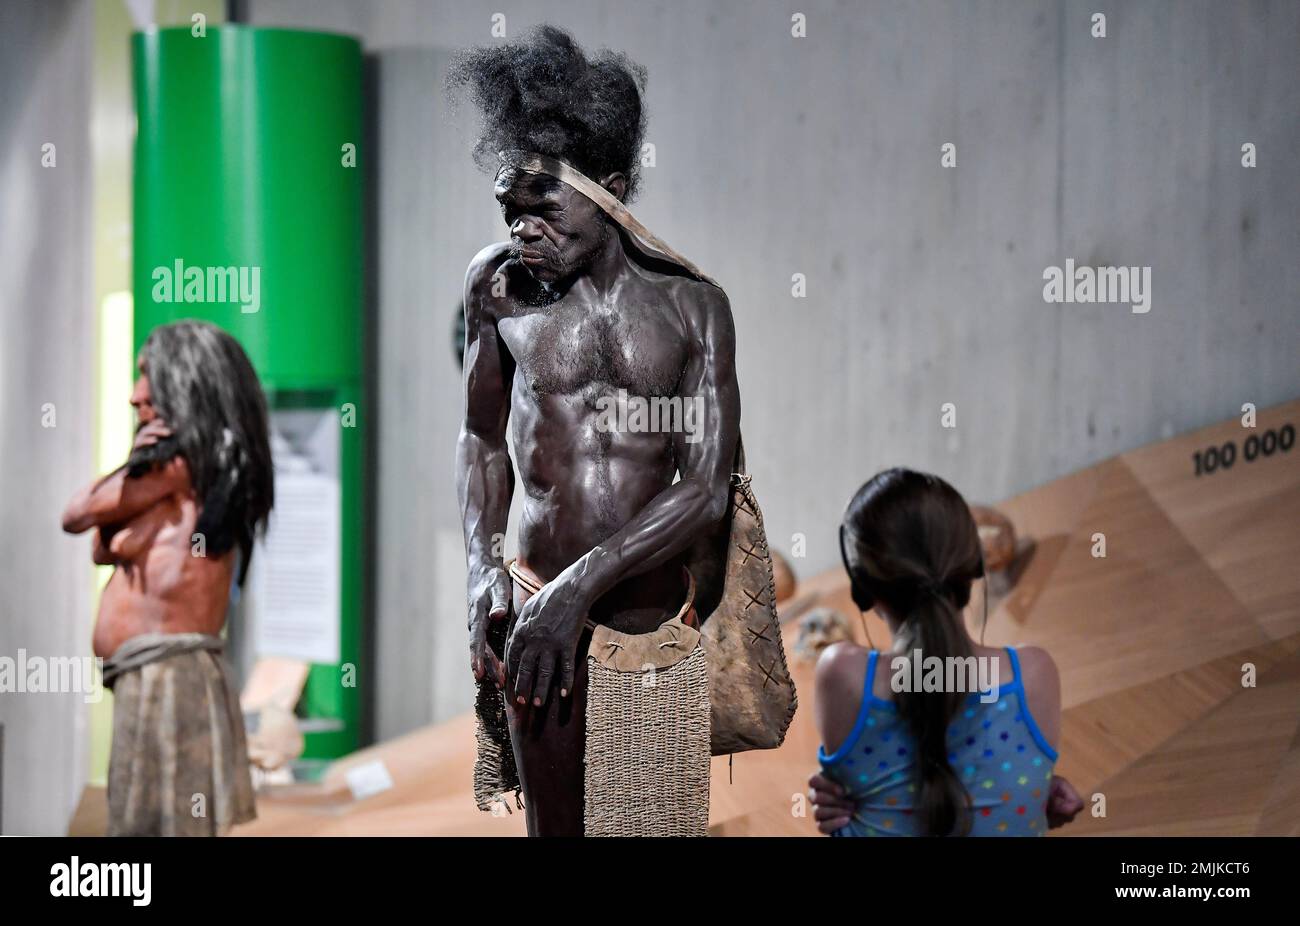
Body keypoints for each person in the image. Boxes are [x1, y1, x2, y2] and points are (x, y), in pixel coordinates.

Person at [451, 25, 740, 835]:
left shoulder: (693, 307)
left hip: (647, 627)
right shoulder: (499, 287)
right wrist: (482, 570)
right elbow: (479, 438)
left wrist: (582, 587)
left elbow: (706, 489)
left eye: (542, 209)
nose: (521, 231)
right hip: (538, 615)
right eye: (509, 212)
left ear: (610, 190)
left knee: (654, 830)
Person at [62, 320, 273, 836]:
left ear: (186, 380)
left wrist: (136, 464)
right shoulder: (197, 471)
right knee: (156, 821)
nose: (137, 397)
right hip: (162, 672)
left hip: (169, 673)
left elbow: (76, 515)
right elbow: (98, 544)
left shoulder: (173, 467)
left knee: (158, 825)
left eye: (148, 376)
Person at [807, 468, 1084, 835]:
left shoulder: (842, 673)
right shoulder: (1033, 674)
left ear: (862, 586)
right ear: (972, 569)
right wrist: (1027, 796)